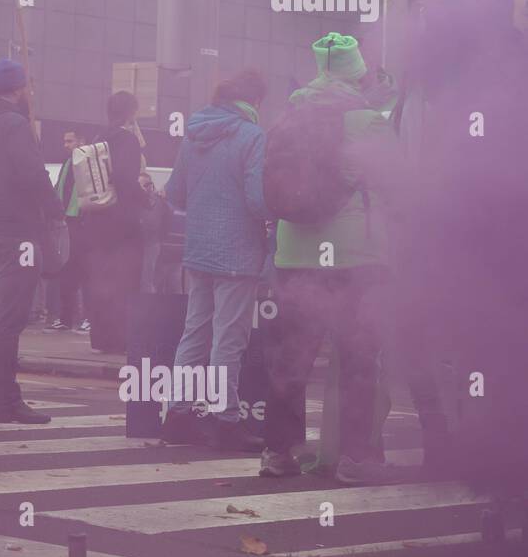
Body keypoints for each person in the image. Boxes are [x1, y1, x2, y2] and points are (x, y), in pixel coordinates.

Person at [258, 32, 398, 485]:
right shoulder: (367, 120)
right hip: (354, 258)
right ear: (357, 75)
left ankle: (278, 452)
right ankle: (357, 459)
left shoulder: (288, 117)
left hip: (293, 254)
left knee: (291, 357)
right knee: (358, 357)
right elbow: (395, 181)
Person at [161, 68, 270, 452]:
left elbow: (175, 192)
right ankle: (226, 421)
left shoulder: (193, 135)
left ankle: (177, 416)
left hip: (199, 250)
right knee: (229, 339)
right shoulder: (252, 136)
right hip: (238, 253)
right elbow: (258, 200)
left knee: (194, 333)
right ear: (254, 101)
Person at [0, 60, 65, 423]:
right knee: (9, 322)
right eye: (29, 87)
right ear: (19, 89)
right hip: (17, 234)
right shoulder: (16, 125)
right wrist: (55, 210)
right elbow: (33, 175)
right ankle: (7, 403)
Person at [84, 91, 151, 353]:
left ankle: (100, 338)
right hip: (122, 224)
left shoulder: (98, 139)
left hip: (96, 221)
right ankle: (121, 338)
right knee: (125, 281)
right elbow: (125, 179)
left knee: (100, 280)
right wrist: (144, 198)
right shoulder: (127, 140)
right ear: (130, 112)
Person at [51, 129, 93, 334]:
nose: (66, 145)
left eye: (70, 141)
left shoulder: (87, 163)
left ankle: (88, 318)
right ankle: (66, 318)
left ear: (81, 141)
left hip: (82, 223)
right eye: (65, 141)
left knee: (85, 273)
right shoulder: (68, 163)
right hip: (67, 222)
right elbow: (60, 188)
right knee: (68, 274)